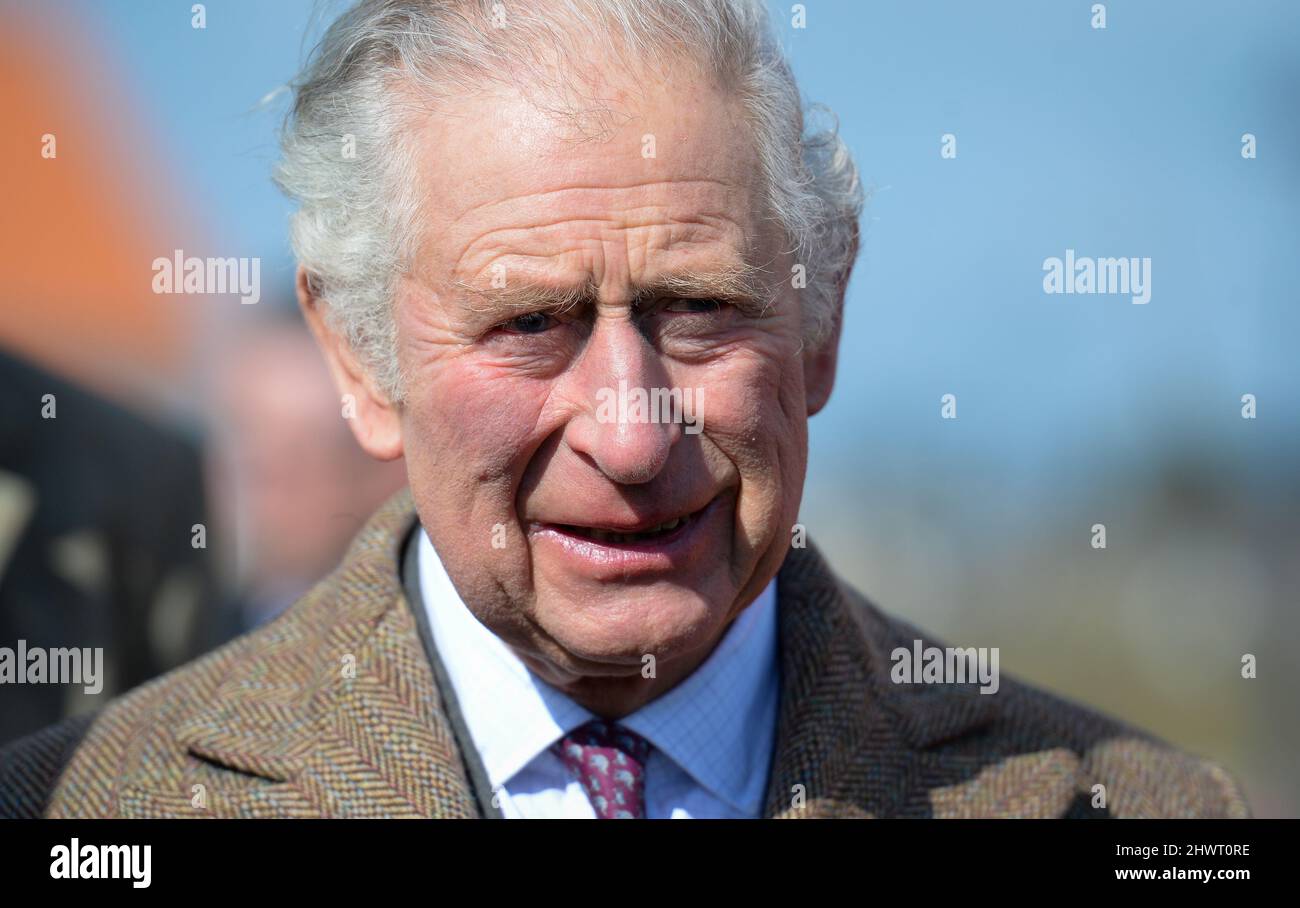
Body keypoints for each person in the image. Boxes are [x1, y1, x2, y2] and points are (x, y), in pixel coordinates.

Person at [0, 0, 1249, 819]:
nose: (632, 430)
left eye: (698, 306)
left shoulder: (1145, 815)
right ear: (362, 360)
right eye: (530, 323)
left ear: (820, 324)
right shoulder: (98, 810)